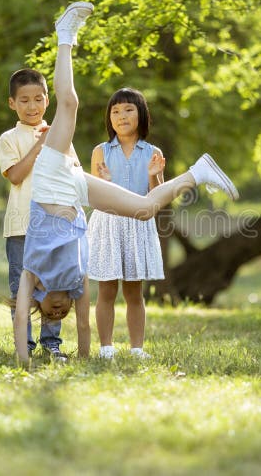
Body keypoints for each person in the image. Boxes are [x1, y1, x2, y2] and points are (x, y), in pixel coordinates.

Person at [14, 2, 239, 365]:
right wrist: (87, 359)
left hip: (52, 179)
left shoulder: (32, 276)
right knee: (144, 208)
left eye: (50, 312)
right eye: (61, 314)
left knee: (68, 103)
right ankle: (198, 172)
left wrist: (23, 360)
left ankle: (65, 35)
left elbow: (21, 316)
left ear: (40, 301)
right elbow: (84, 328)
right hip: (78, 190)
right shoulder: (74, 283)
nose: (57, 310)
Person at [0, 68, 81, 361]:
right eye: (24, 101)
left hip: (55, 225)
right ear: (12, 103)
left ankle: (51, 342)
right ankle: (26, 344)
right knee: (20, 284)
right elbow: (16, 175)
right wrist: (39, 145)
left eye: (37, 99)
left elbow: (75, 174)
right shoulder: (8, 138)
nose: (32, 107)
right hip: (21, 224)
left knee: (54, 283)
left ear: (47, 100)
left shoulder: (60, 135)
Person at [87, 88, 165, 359]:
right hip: (108, 224)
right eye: (115, 111)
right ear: (109, 118)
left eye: (129, 110)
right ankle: (106, 347)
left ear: (141, 114)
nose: (122, 116)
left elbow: (157, 198)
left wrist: (155, 176)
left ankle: (136, 349)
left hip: (137, 225)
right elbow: (93, 195)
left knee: (134, 292)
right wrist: (105, 184)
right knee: (106, 289)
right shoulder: (101, 151)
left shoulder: (152, 152)